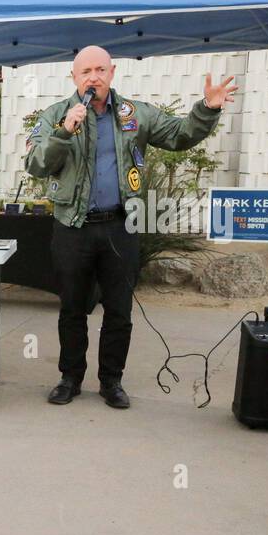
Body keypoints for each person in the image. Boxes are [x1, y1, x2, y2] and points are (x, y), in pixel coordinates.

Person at [26, 45, 236, 409]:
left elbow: (179, 134)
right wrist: (64, 131)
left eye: (100, 70)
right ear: (74, 77)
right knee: (72, 308)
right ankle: (70, 378)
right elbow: (36, 164)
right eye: (86, 71)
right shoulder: (56, 115)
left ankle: (111, 381)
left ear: (112, 72)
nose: (93, 77)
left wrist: (207, 108)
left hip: (120, 226)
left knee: (119, 311)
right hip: (72, 227)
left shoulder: (134, 114)